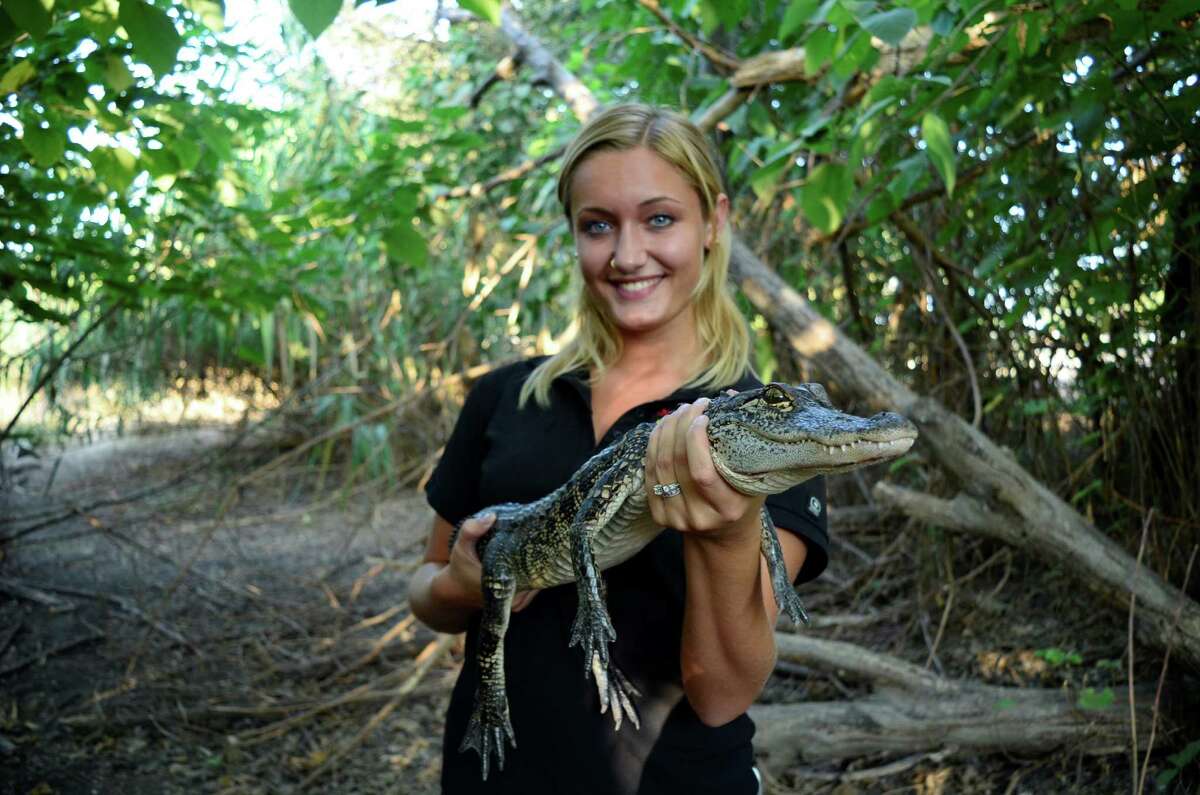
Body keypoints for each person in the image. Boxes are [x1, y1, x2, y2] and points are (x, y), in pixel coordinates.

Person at [409, 103, 829, 795]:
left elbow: (720, 692)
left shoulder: (765, 425)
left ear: (713, 223)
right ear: (575, 236)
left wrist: (728, 533)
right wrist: (459, 586)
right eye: (598, 225)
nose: (627, 254)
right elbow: (426, 591)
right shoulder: (503, 397)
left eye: (659, 218)